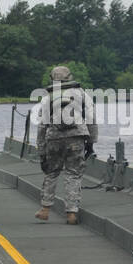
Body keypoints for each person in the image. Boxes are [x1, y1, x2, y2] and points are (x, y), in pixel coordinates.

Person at [35, 65, 96, 224]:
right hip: (76, 138)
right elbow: (91, 118)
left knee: (51, 172)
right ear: (70, 77)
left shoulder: (47, 97)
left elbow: (42, 126)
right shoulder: (81, 94)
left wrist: (41, 150)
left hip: (53, 139)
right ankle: (71, 213)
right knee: (73, 174)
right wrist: (91, 141)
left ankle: (45, 209)